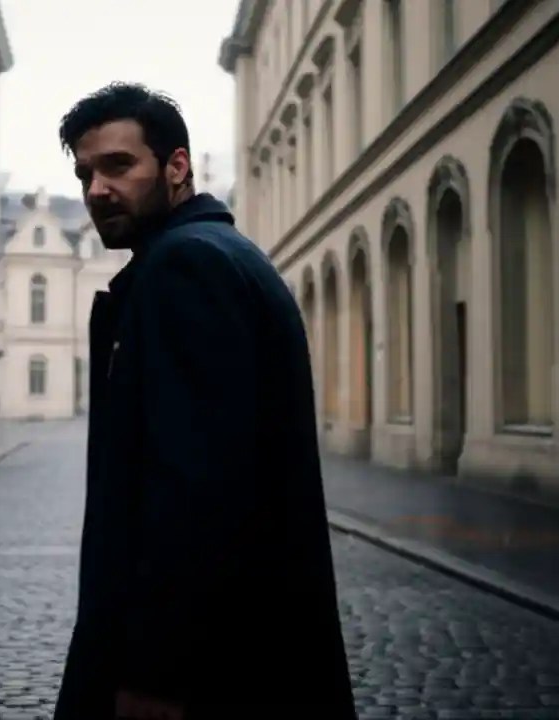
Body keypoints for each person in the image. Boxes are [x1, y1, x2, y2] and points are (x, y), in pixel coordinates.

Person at [53, 82, 357, 720]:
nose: (96, 191)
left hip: (203, 677)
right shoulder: (219, 255)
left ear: (177, 166)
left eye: (118, 165)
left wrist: (154, 672)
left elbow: (193, 487)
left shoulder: (185, 268)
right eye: (85, 174)